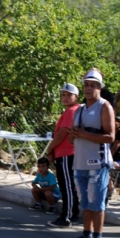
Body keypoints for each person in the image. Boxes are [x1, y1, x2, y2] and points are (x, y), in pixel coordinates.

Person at [65, 68, 115, 238]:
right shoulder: (79, 109)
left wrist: (84, 134)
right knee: (85, 204)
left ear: (99, 88)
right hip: (80, 163)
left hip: (97, 164)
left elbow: (110, 137)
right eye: (86, 84)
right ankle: (85, 237)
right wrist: (73, 136)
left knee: (96, 204)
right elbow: (73, 137)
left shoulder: (104, 107)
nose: (88, 88)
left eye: (93, 85)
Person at [47, 83, 81, 227]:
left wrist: (50, 149)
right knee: (69, 184)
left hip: (67, 152)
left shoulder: (72, 111)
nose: (65, 98)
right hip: (66, 152)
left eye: (69, 95)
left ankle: (66, 216)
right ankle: (72, 212)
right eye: (63, 95)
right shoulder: (72, 110)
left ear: (76, 97)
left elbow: (62, 134)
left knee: (67, 185)